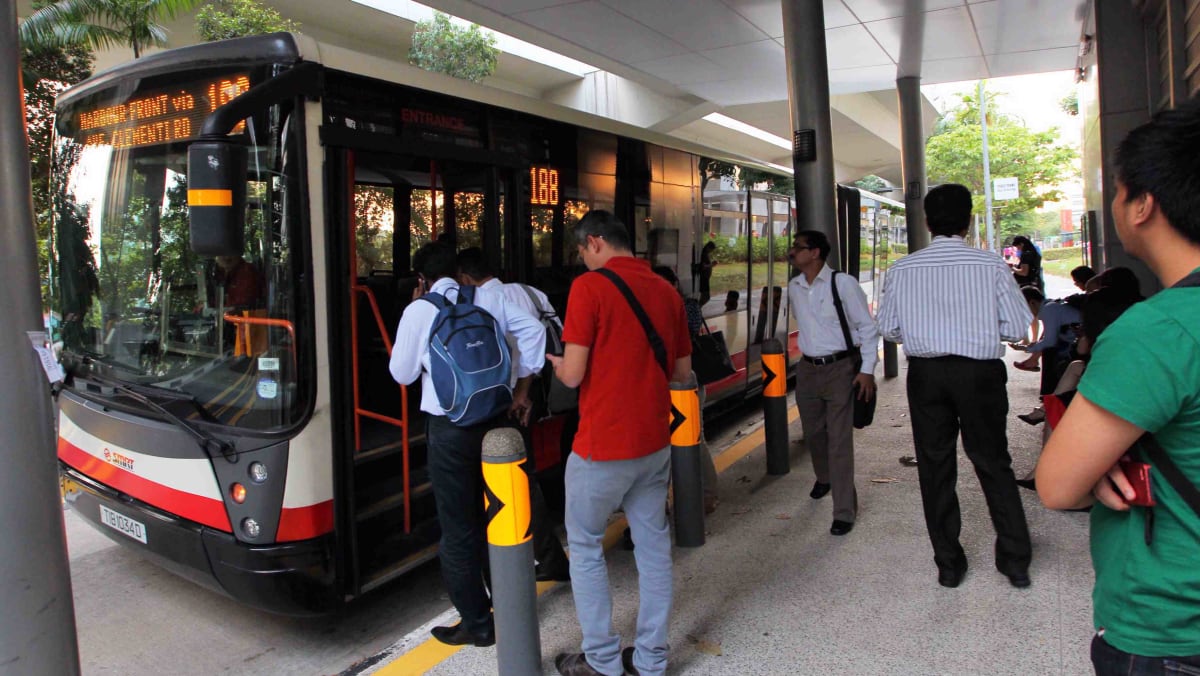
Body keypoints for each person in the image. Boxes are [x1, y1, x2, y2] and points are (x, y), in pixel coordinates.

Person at [1036, 104, 1200, 675]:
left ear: (1143, 204)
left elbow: (1058, 485)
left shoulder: (1157, 330)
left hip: (1171, 627)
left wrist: (1105, 455)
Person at [547, 210, 690, 676]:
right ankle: (650, 661)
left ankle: (603, 661)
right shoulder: (667, 292)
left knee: (586, 548)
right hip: (653, 446)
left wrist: (554, 361)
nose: (582, 261)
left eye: (580, 252)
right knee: (653, 550)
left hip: (600, 448)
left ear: (594, 243)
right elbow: (683, 374)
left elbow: (572, 375)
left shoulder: (589, 288)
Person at [388, 242, 546, 648]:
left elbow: (403, 375)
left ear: (421, 278)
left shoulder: (420, 310)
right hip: (497, 426)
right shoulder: (490, 296)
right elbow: (533, 331)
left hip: (451, 430)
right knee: (503, 516)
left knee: (459, 529)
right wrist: (520, 388)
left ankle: (477, 622)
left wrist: (416, 310)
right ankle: (512, 605)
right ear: (458, 272)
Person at [876, 183, 1034, 590]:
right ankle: (1015, 561)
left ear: (927, 222)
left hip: (926, 376)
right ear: (967, 220)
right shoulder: (992, 266)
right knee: (993, 461)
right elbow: (1017, 326)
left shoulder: (902, 269)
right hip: (980, 374)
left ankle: (949, 564)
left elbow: (889, 329)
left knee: (935, 465)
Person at [455, 246, 571, 583]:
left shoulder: (478, 302)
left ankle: (538, 557)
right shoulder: (530, 292)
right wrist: (530, 387)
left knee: (515, 476)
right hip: (539, 389)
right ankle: (546, 556)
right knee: (525, 471)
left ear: (464, 278)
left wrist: (519, 390)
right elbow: (556, 333)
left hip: (505, 397)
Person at [785, 230, 878, 536]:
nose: (792, 252)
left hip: (841, 369)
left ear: (815, 253)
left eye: (798, 248)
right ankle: (824, 477)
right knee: (814, 433)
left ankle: (844, 510)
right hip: (808, 370)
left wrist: (866, 370)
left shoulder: (843, 283)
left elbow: (867, 328)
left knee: (839, 440)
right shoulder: (794, 287)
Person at [699, 241, 716, 305]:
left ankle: (698, 309)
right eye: (711, 249)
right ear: (708, 247)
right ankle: (697, 308)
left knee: (704, 296)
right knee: (706, 297)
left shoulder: (705, 254)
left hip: (705, 278)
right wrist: (711, 265)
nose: (711, 251)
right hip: (704, 278)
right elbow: (703, 266)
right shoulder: (704, 254)